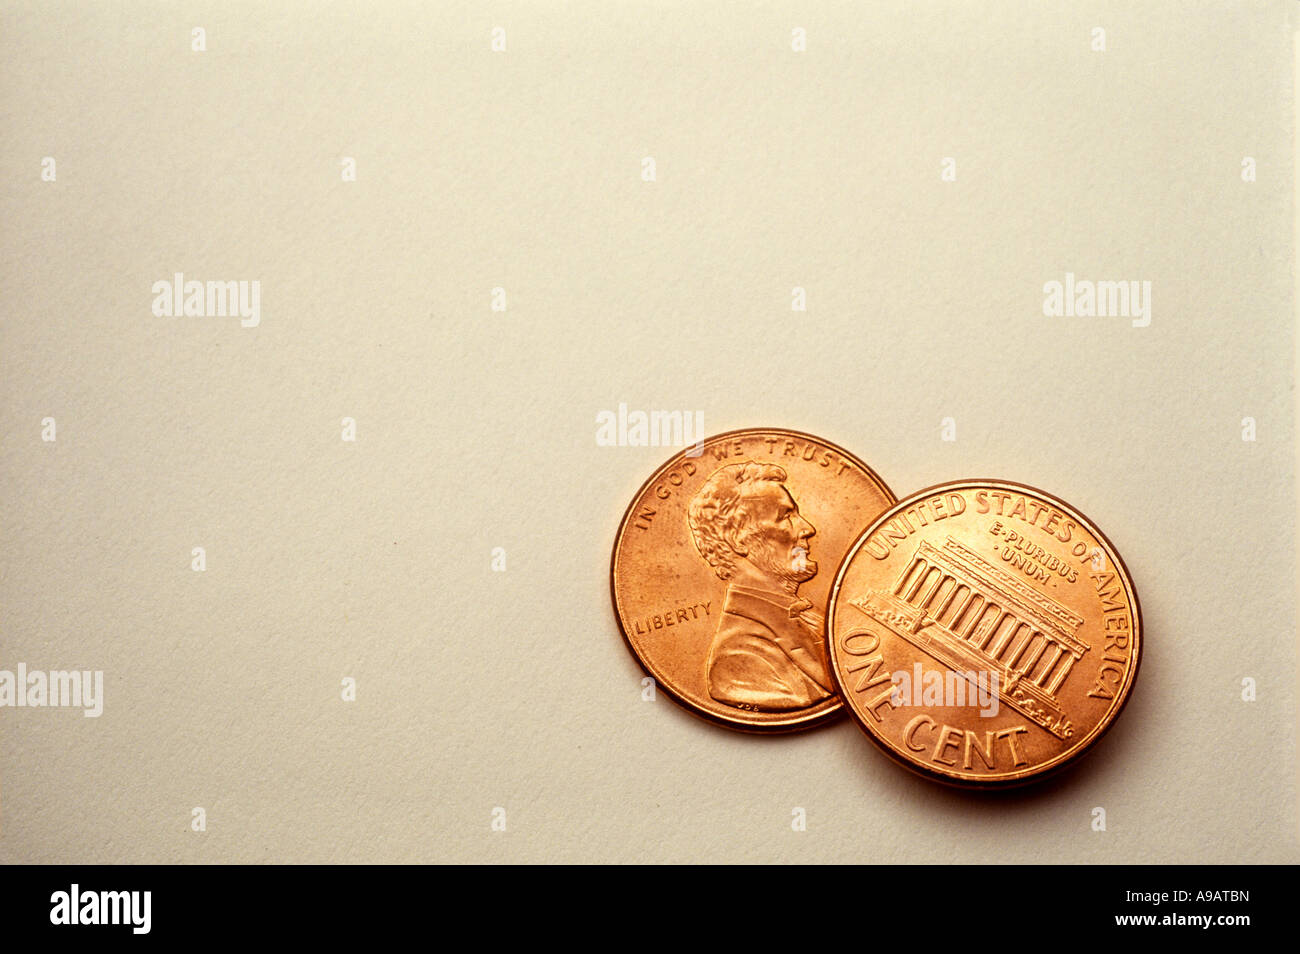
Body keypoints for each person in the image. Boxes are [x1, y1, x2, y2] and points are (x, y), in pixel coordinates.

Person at [686, 461, 834, 711]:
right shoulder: (738, 661)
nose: (808, 528)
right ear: (737, 539)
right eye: (786, 516)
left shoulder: (811, 617)